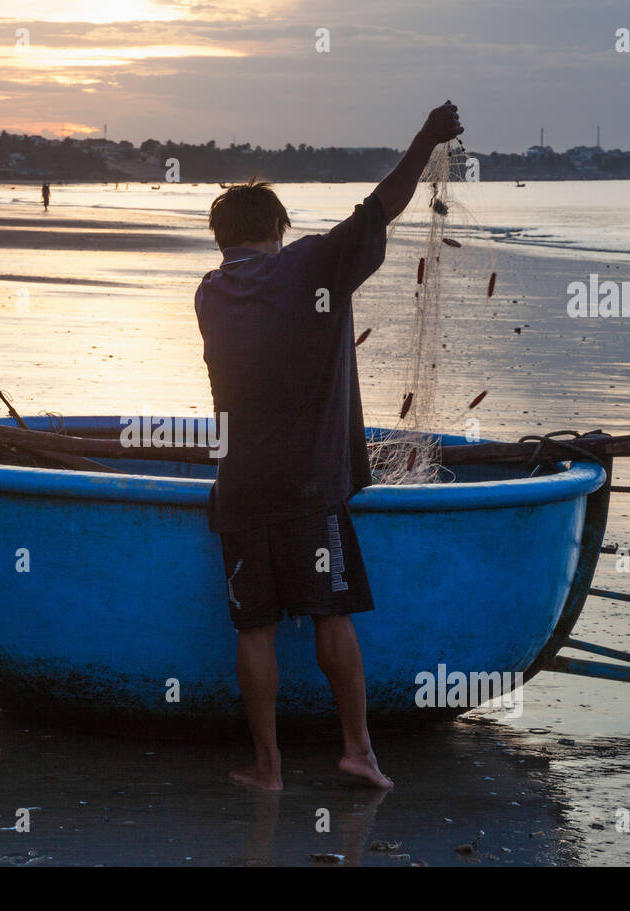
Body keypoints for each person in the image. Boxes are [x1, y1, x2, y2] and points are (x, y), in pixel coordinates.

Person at [194, 101, 464, 792]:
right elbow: (383, 206)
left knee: (253, 629)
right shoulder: (312, 267)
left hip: (244, 490)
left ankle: (268, 767)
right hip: (313, 490)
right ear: (278, 231)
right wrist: (427, 137)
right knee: (330, 615)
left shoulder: (209, 294)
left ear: (221, 239)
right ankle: (358, 751)